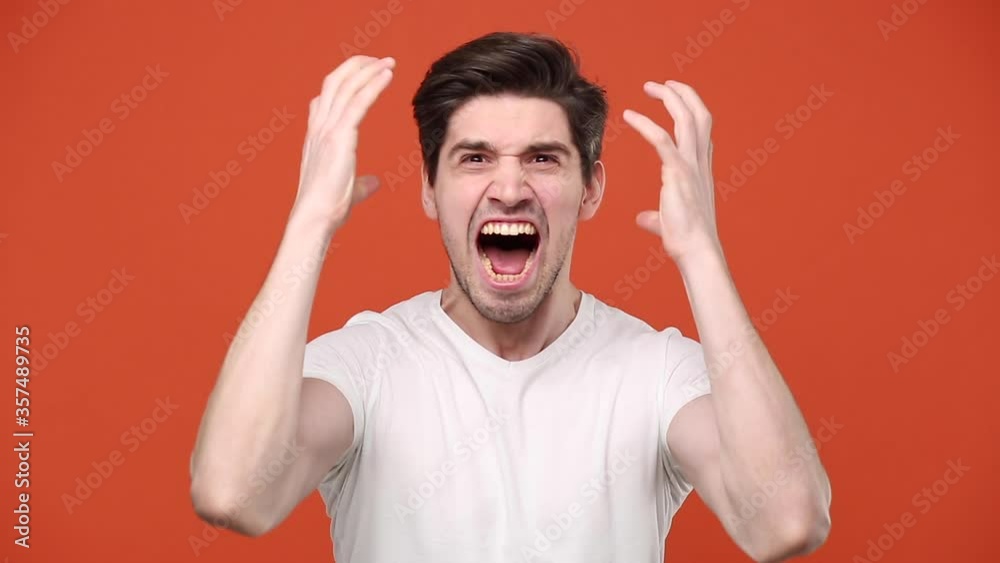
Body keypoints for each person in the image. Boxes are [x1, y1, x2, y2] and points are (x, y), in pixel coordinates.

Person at [189, 31, 832, 562]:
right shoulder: (366, 364)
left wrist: (702, 255)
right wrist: (308, 224)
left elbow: (786, 524)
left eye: (544, 159)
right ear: (430, 190)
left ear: (590, 189)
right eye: (474, 158)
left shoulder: (655, 372)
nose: (509, 187)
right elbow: (232, 493)